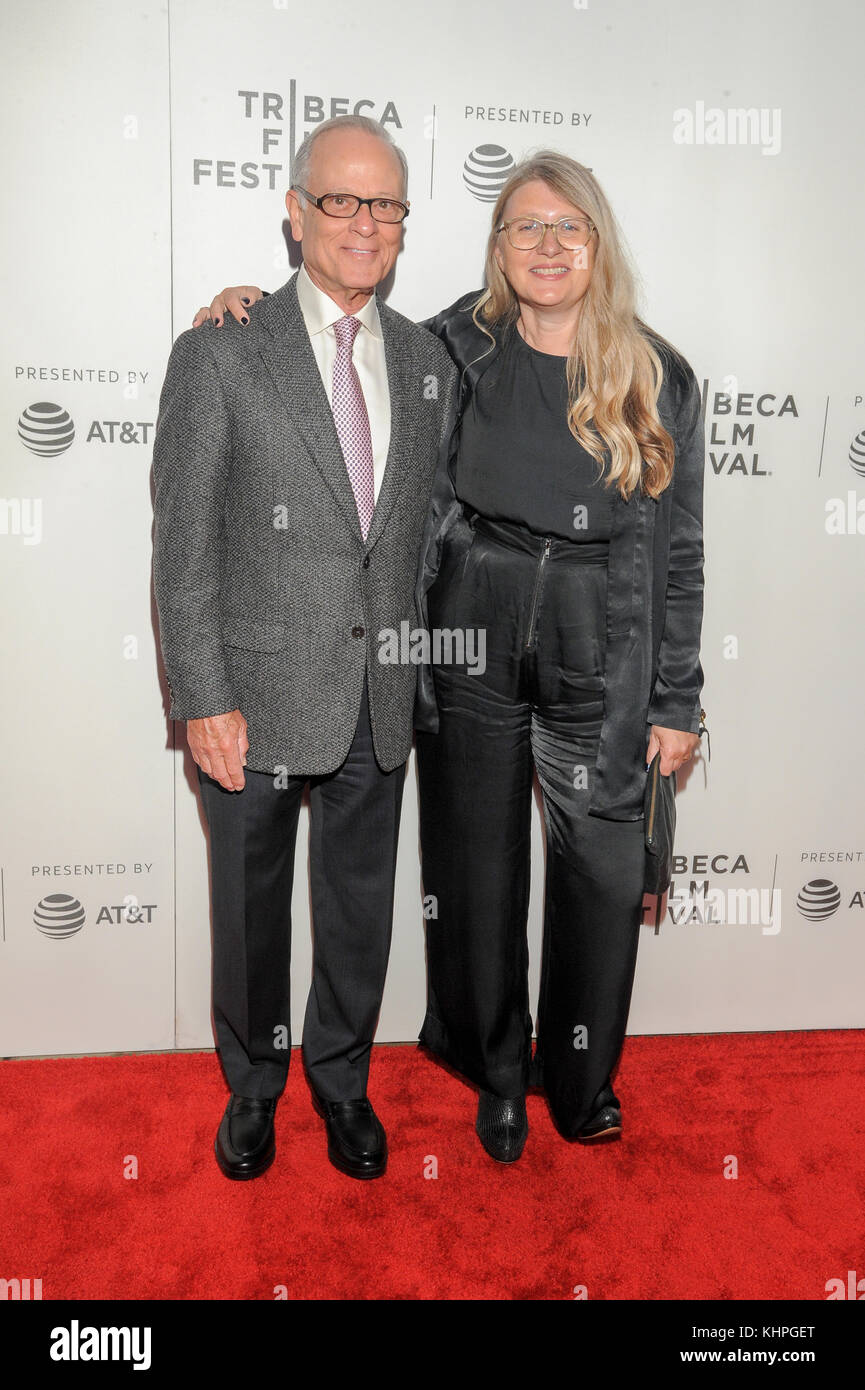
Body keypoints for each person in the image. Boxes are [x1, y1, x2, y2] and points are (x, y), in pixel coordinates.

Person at [196, 150, 705, 1165]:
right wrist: (242, 307)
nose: (549, 245)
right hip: (467, 634)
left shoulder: (659, 374)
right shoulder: (450, 349)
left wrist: (676, 697)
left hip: (601, 645)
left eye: (569, 226)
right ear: (498, 246)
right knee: (473, 871)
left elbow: (679, 546)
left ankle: (578, 1071)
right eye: (526, 226)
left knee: (602, 878)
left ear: (597, 243)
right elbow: (339, 346)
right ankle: (499, 1074)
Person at [152, 114, 457, 1182]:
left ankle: (340, 1081)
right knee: (249, 912)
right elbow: (182, 547)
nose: (364, 223)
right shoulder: (221, 351)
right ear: (294, 213)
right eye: (341, 200)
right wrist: (202, 694)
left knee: (359, 908)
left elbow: (422, 531)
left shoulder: (429, 360)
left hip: (378, 695)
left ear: (404, 224)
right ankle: (252, 1086)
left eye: (385, 205)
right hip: (254, 696)